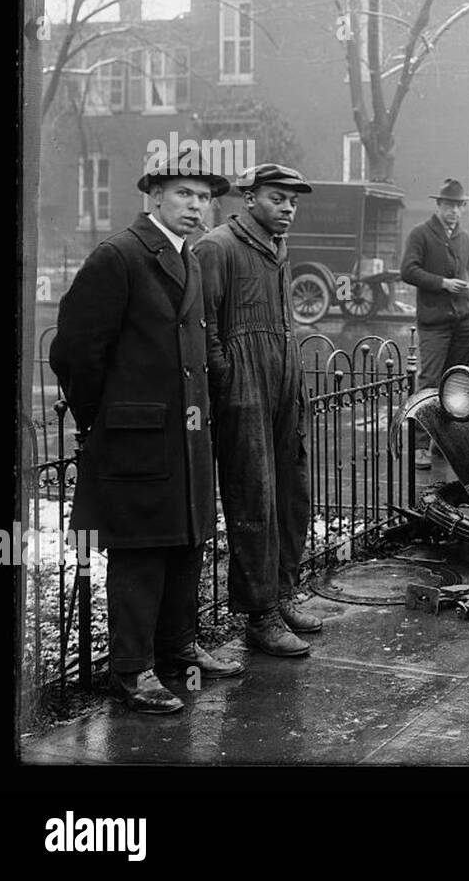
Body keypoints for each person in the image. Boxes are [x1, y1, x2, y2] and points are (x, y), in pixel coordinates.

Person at [50, 154, 243, 714]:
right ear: (153, 196)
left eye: (204, 197)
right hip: (136, 436)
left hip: (185, 434)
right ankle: (132, 671)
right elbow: (75, 352)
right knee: (139, 552)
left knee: (185, 539)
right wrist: (104, 417)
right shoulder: (119, 256)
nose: (196, 206)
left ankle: (178, 650)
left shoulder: (190, 258)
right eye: (184, 194)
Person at [192, 163, 319, 657]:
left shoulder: (276, 247)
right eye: (276, 198)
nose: (287, 208)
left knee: (293, 495)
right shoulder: (218, 248)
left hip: (284, 384)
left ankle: (283, 592)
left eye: (292, 200)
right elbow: (204, 329)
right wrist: (227, 381)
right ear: (249, 198)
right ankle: (259, 614)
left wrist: (293, 381)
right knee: (253, 502)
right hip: (244, 392)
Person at [400, 178, 469, 467]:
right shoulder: (420, 234)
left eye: (459, 206)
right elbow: (407, 271)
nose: (454, 211)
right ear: (439, 205)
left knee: (455, 382)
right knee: (429, 381)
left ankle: (442, 443)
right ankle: (420, 445)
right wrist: (442, 283)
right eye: (449, 205)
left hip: (464, 322)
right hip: (434, 324)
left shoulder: (464, 238)